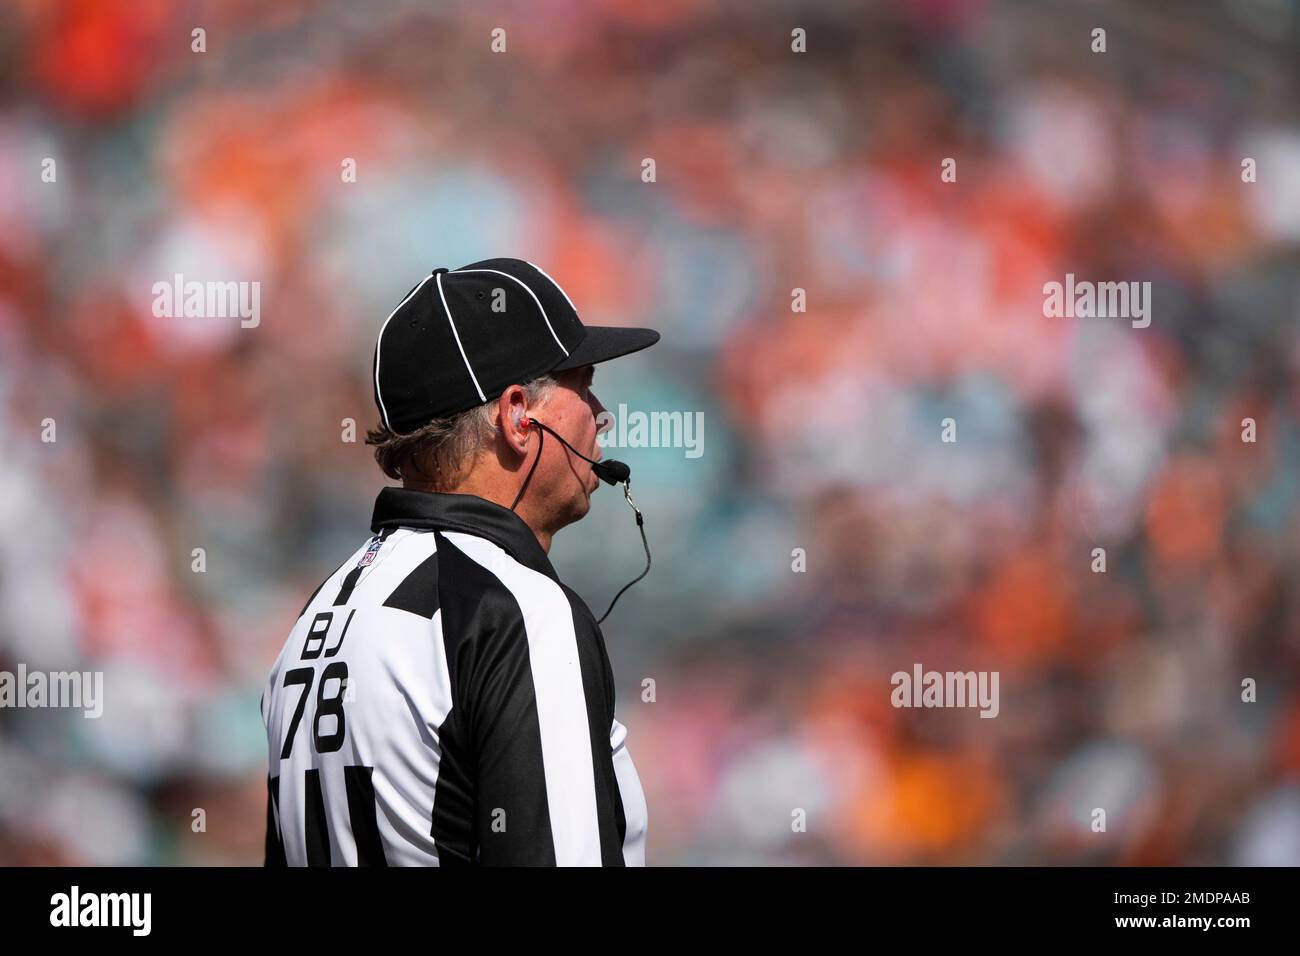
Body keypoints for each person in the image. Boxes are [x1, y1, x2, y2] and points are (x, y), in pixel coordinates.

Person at [261, 258, 658, 865]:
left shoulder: (317, 616)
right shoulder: (518, 614)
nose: (599, 413)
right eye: (582, 385)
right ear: (519, 415)